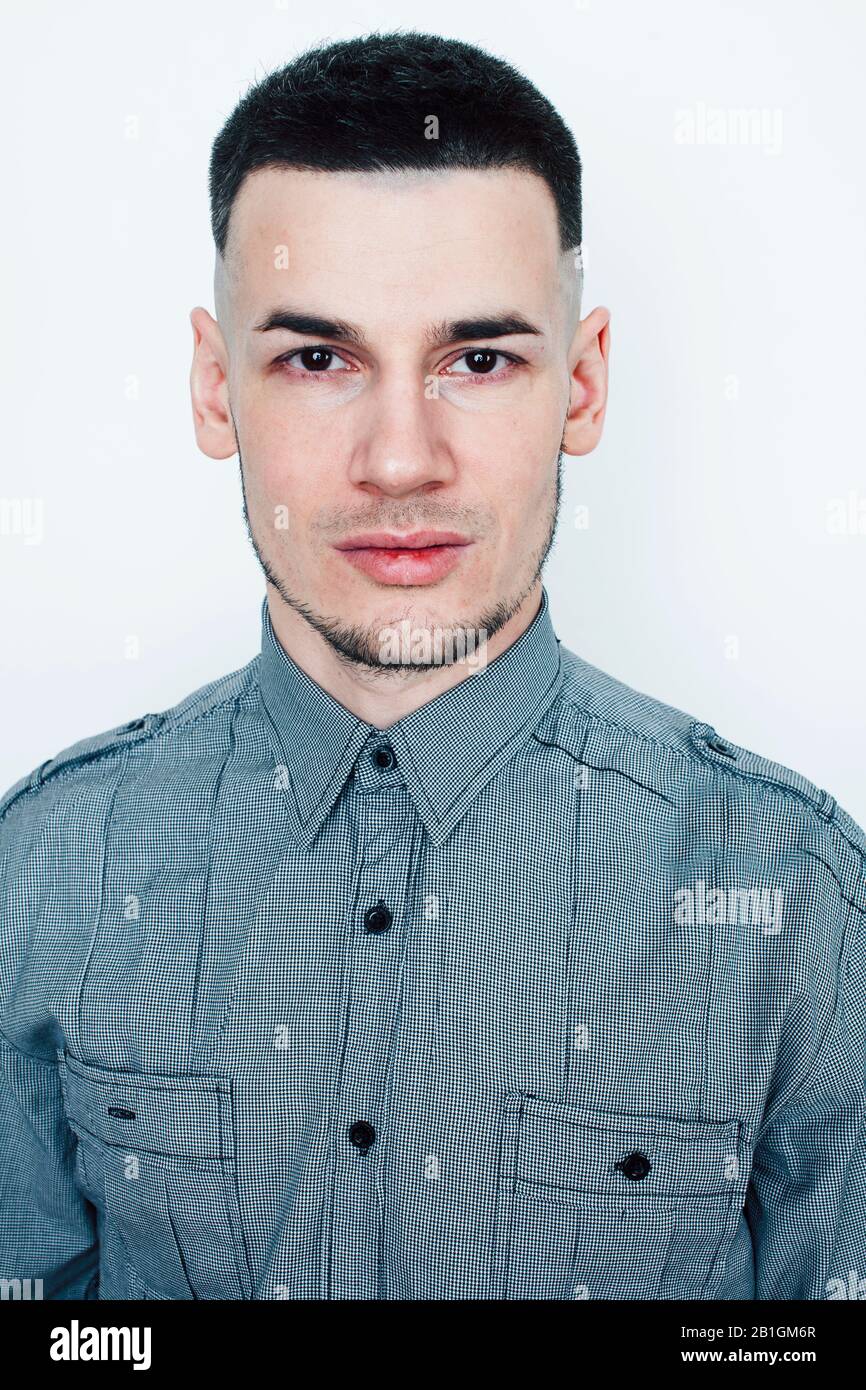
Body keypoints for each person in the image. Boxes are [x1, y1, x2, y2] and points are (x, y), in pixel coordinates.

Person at [1, 30, 863, 1302]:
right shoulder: (47, 868)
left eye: (477, 359)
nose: (400, 461)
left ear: (578, 384)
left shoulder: (792, 901)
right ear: (213, 387)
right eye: (316, 359)